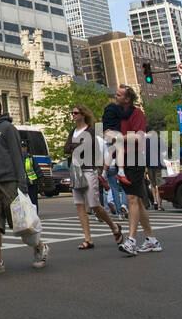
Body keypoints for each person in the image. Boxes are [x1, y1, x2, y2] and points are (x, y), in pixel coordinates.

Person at [0, 92, 45, 273]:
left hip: (9, 180)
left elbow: (17, 156)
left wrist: (21, 186)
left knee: (20, 222)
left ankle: (39, 246)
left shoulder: (8, 128)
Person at [66, 105, 122, 249]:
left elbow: (93, 151)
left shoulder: (91, 131)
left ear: (83, 115)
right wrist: (79, 145)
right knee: (79, 205)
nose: (73, 115)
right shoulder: (73, 131)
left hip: (88, 169)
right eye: (72, 113)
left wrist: (76, 147)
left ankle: (114, 226)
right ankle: (88, 238)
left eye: (76, 113)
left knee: (94, 204)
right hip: (76, 170)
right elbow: (66, 148)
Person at [117, 87, 161, 255]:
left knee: (132, 198)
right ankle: (151, 239)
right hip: (123, 159)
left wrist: (118, 137)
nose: (115, 97)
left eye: (119, 95)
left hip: (135, 157)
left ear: (128, 99)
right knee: (139, 201)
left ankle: (131, 240)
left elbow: (139, 135)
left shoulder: (137, 114)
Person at [100, 88, 133, 218]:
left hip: (106, 133)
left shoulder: (107, 109)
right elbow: (124, 116)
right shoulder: (116, 108)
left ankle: (103, 172)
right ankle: (121, 170)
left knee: (112, 150)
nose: (116, 96)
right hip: (113, 133)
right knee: (118, 146)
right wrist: (131, 110)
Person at [21, 140, 40, 210]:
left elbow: (37, 169)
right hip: (21, 184)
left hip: (32, 184)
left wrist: (41, 180)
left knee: (33, 201)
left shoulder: (30, 158)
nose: (23, 148)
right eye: (22, 147)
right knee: (23, 202)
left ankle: (34, 215)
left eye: (24, 146)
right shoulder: (16, 158)